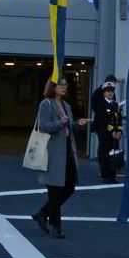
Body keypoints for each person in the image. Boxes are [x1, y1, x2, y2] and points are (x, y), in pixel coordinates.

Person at [31, 78, 87, 238]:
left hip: (68, 152)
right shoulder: (46, 104)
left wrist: (78, 124)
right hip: (53, 154)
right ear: (53, 87)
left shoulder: (66, 106)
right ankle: (57, 226)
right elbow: (43, 126)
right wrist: (59, 124)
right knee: (54, 192)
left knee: (69, 188)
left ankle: (42, 213)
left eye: (66, 85)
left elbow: (70, 128)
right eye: (61, 84)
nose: (64, 87)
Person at [92, 81, 123, 182]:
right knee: (105, 155)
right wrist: (112, 132)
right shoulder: (101, 104)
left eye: (112, 91)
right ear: (104, 93)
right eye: (108, 91)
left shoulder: (116, 104)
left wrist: (118, 131)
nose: (110, 93)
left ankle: (112, 176)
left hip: (114, 135)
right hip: (105, 134)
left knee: (113, 155)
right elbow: (103, 120)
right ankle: (105, 176)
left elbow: (119, 119)